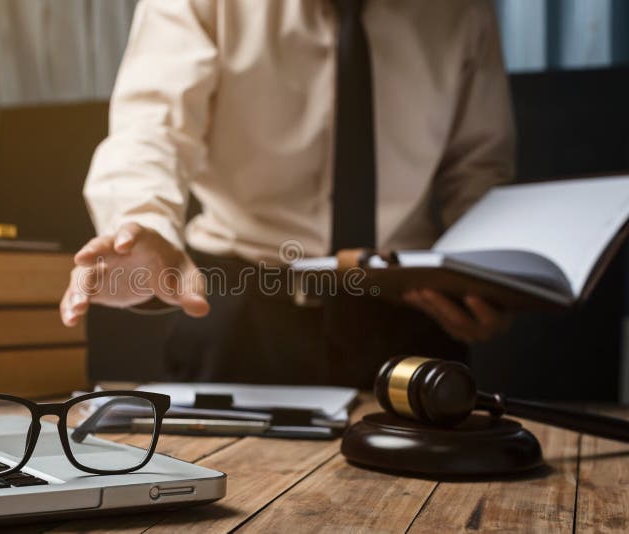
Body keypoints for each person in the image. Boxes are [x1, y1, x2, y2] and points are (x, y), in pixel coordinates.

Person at [60, 0, 515, 388]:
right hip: (240, 312)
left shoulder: (462, 10)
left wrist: (490, 279)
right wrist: (144, 224)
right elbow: (152, 130)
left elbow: (479, 170)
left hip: (407, 312)